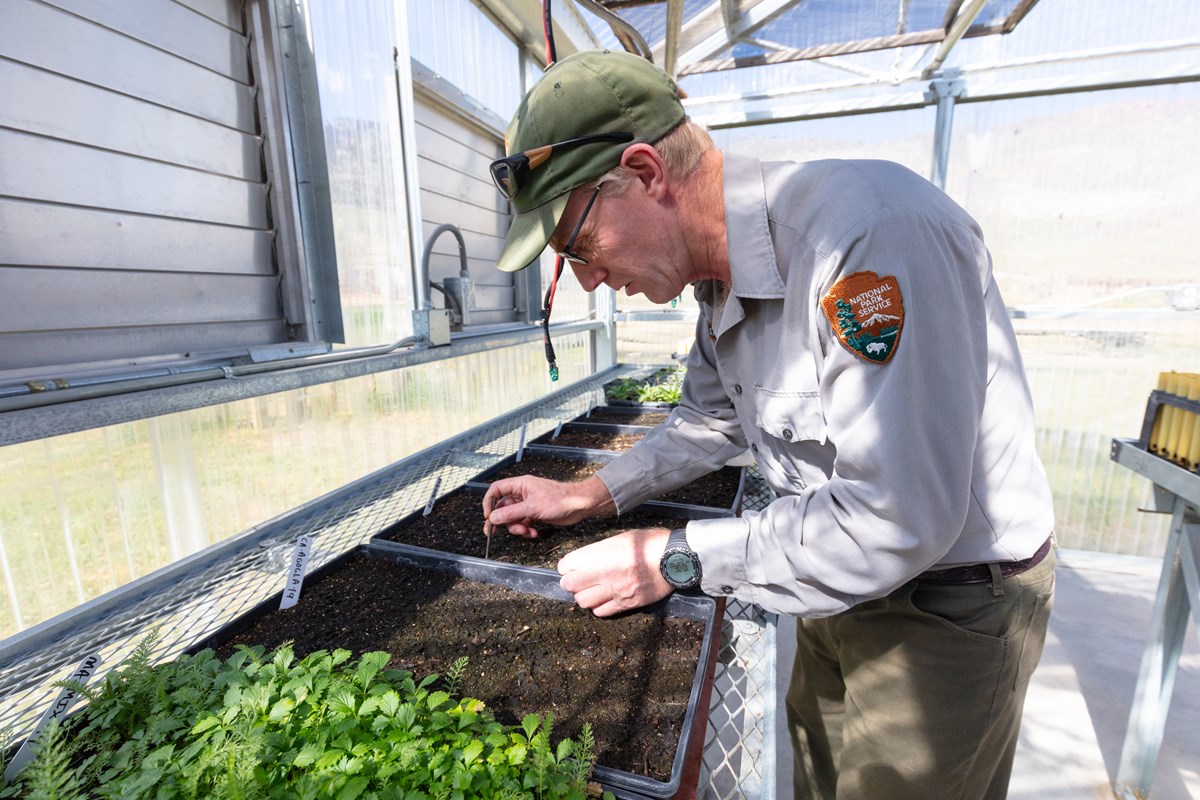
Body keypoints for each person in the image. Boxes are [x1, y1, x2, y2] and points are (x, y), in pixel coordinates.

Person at [481, 48, 1055, 800]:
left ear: (647, 172)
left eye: (580, 248)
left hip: (949, 607)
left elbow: (899, 518)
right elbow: (706, 421)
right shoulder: (718, 281)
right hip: (830, 578)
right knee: (814, 776)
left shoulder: (864, 240)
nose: (588, 279)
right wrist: (587, 497)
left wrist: (674, 558)